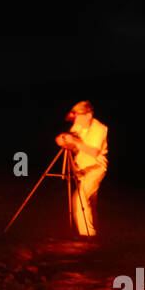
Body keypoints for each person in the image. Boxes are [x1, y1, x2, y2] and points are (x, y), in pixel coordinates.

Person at [55, 100, 108, 237]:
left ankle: (87, 236)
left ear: (88, 115)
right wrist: (64, 141)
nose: (76, 120)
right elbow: (74, 146)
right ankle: (94, 234)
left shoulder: (100, 129)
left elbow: (94, 152)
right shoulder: (78, 126)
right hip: (80, 169)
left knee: (80, 197)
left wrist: (75, 141)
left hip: (95, 168)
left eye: (79, 116)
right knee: (89, 202)